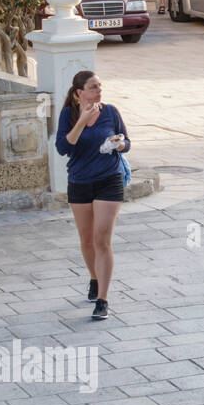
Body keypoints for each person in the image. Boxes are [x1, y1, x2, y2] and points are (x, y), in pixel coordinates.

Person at [55, 70, 131, 320]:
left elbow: (127, 142)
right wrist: (80, 121)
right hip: (79, 182)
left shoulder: (110, 112)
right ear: (80, 93)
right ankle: (94, 278)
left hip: (109, 180)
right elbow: (63, 148)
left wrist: (118, 144)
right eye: (93, 87)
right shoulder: (69, 114)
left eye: (100, 86)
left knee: (102, 239)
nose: (99, 91)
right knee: (87, 240)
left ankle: (103, 300)